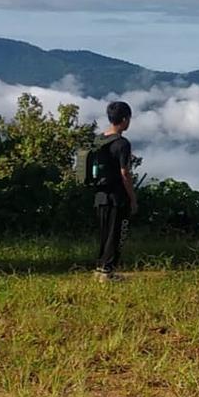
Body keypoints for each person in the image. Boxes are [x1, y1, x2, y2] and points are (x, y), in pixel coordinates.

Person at [91, 101, 138, 282]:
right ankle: (108, 272)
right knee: (115, 234)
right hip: (116, 196)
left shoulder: (99, 139)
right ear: (125, 119)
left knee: (104, 233)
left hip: (100, 195)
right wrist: (132, 198)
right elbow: (124, 173)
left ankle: (99, 268)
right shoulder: (122, 144)